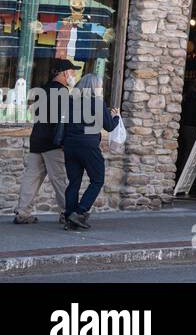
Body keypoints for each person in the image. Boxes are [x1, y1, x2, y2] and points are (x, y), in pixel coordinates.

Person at [13, 59, 77, 225]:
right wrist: (64, 141)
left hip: (37, 139)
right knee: (60, 180)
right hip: (53, 143)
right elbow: (62, 120)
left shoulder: (42, 90)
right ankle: (68, 213)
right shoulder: (63, 92)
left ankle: (23, 212)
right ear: (64, 73)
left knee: (31, 179)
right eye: (72, 71)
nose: (74, 75)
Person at [62, 72, 120, 230]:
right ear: (95, 87)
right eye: (100, 86)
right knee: (97, 179)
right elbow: (109, 126)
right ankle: (80, 212)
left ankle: (69, 216)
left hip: (69, 145)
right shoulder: (97, 102)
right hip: (88, 146)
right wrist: (116, 117)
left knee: (73, 182)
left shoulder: (70, 101)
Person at [179, 77, 196, 171]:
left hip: (184, 125)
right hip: (191, 127)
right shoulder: (195, 99)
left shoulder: (186, 97)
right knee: (190, 151)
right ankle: (185, 173)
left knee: (185, 150)